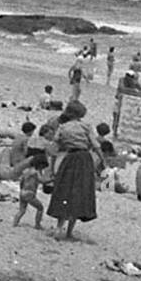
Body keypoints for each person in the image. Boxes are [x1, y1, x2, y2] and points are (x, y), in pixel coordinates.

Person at [47, 100, 100, 239]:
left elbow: (53, 150)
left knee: (64, 192)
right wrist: (103, 162)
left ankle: (59, 227)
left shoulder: (63, 127)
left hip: (69, 160)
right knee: (79, 194)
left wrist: (52, 169)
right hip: (84, 160)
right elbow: (96, 146)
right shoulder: (86, 126)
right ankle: (70, 231)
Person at [14, 153, 47, 227]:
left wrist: (21, 189)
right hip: (30, 193)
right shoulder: (36, 172)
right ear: (40, 165)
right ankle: (37, 224)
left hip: (22, 192)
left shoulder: (26, 171)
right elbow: (42, 180)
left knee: (22, 210)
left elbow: (21, 181)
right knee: (40, 208)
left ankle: (15, 223)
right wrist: (51, 180)